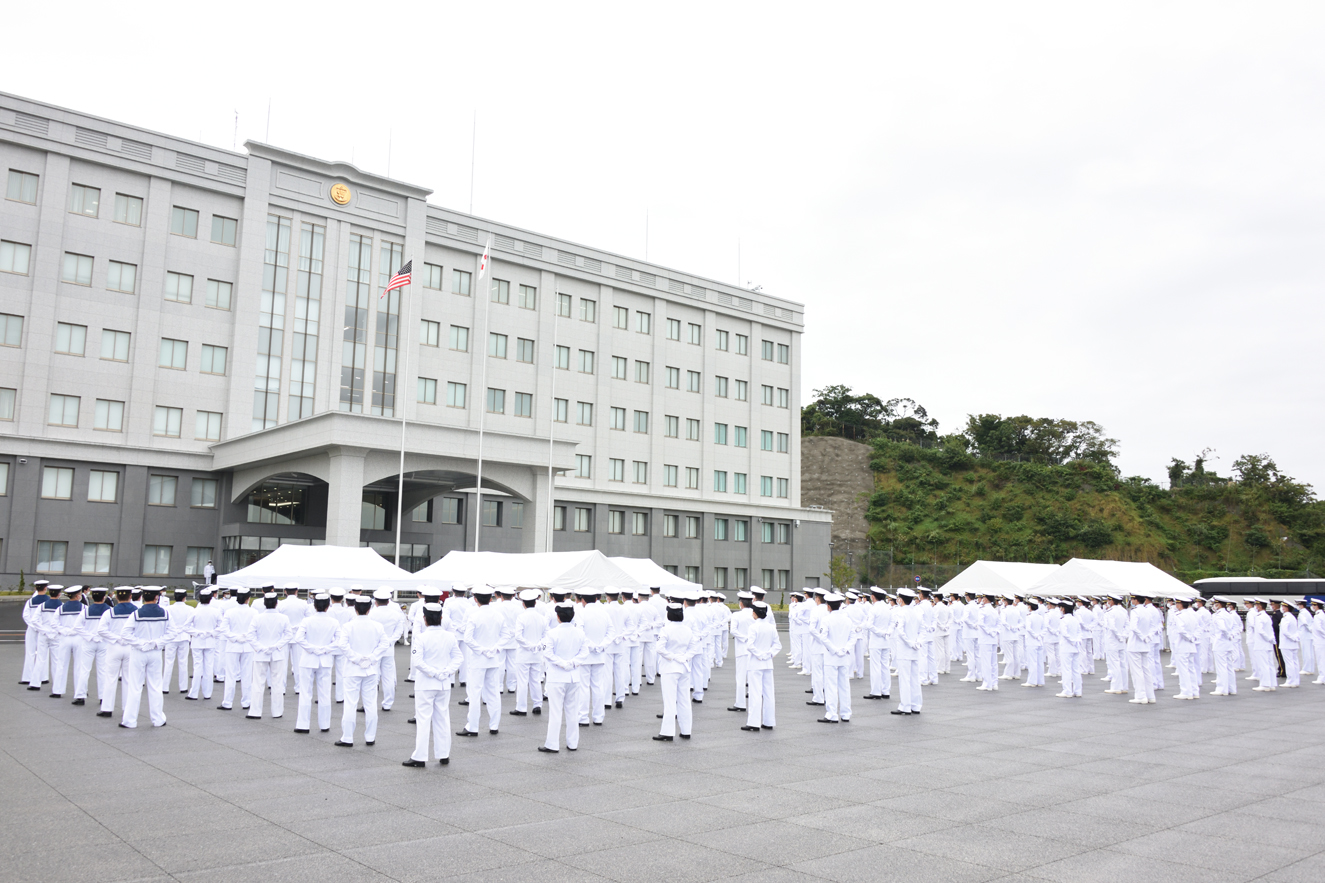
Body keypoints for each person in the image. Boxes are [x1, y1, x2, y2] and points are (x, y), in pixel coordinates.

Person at [404, 602, 463, 767]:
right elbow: (459, 658)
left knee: (423, 721)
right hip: (443, 683)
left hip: (426, 684)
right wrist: (446, 672)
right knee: (442, 718)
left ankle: (420, 757)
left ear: (424, 619)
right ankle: (444, 754)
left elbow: (417, 662)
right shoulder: (450, 636)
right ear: (441, 618)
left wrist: (433, 672)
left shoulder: (421, 637)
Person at [335, 594, 392, 747]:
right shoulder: (377, 626)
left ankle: (347, 738)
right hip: (371, 670)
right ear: (369, 609)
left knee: (350, 704)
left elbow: (342, 645)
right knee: (371, 704)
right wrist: (371, 658)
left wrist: (357, 659)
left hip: (353, 669)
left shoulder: (348, 626)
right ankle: (370, 737)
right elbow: (384, 644)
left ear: (355, 609)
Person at [119, 587, 178, 728]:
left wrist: (141, 644)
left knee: (135, 686)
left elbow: (125, 634)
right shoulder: (165, 613)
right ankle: (158, 719)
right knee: (155, 686)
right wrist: (157, 643)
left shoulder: (136, 614)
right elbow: (173, 633)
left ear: (143, 597)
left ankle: (130, 721)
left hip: (139, 652)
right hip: (156, 652)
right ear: (157, 597)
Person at [458, 586, 511, 737]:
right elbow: (506, 635)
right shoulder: (498, 615)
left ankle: (472, 727)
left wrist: (481, 650)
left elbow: (467, 638)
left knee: (474, 693)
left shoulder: (474, 616)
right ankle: (494, 725)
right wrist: (495, 649)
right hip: (494, 659)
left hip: (477, 660)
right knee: (493, 693)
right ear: (490, 598)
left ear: (475, 599)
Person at [540, 603, 588, 753]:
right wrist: (572, 663)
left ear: (558, 617)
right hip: (573, 676)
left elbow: (548, 653)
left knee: (555, 712)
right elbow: (584, 653)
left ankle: (552, 744)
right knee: (573, 712)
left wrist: (562, 664)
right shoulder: (580, 633)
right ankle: (573, 743)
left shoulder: (552, 633)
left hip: (557, 677)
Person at [293, 593, 339, 734]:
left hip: (308, 659)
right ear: (327, 606)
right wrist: (325, 649)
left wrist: (312, 649)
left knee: (305, 693)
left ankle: (303, 725)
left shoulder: (307, 621)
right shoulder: (333, 622)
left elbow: (298, 638)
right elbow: (339, 641)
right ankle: (324, 725)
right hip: (325, 659)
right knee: (325, 693)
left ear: (314, 605)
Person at [247, 592, 293, 719]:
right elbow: (289, 635)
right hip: (277, 654)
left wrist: (260, 647)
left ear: (264, 604)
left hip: (261, 654)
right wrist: (277, 646)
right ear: (277, 603)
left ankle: (255, 711)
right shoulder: (284, 618)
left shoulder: (257, 617)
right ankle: (277, 712)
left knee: (257, 683)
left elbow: (250, 636)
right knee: (277, 683)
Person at [654, 603, 696, 741]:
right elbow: (693, 649)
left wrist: (672, 657)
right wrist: (684, 657)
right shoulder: (688, 630)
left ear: (669, 615)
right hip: (684, 667)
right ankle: (686, 731)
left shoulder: (665, 630)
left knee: (670, 701)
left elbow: (659, 648)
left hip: (670, 668)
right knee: (684, 700)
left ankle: (667, 732)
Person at [574, 589, 614, 725]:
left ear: (583, 600)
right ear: (596, 599)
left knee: (584, 687)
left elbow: (580, 633)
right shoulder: (604, 613)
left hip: (585, 655)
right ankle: (598, 717)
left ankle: (583, 717)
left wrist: (591, 646)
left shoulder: (580, 613)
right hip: (600, 655)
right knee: (598, 686)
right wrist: (601, 645)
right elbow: (611, 632)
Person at [741, 601, 781, 731]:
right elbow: (777, 645)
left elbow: (750, 645)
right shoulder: (771, 627)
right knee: (769, 693)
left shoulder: (753, 627)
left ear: (754, 614)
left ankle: (754, 723)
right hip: (768, 663)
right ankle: (769, 722)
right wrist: (768, 654)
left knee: (755, 693)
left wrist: (760, 655)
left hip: (755, 664)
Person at [95, 588, 135, 717]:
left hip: (114, 647)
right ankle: (127, 708)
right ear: (130, 596)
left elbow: (101, 630)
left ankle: (107, 708)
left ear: (117, 597)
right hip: (131, 647)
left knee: (110, 678)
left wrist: (116, 638)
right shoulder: (137, 612)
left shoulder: (109, 612)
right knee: (128, 679)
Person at [816, 592, 854, 723]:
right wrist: (844, 649)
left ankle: (832, 714)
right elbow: (852, 637)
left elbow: (823, 637)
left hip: (831, 657)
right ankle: (845, 714)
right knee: (844, 686)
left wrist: (834, 650)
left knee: (831, 685)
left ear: (828, 606)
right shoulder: (847, 619)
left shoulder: (826, 619)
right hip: (844, 657)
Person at [71, 588, 113, 707]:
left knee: (84, 669)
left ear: (92, 597)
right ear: (104, 597)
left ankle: (80, 696)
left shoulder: (86, 610)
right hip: (104, 642)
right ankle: (103, 697)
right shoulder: (110, 610)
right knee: (103, 670)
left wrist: (90, 636)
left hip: (89, 642)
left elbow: (77, 627)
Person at [218, 588, 257, 711]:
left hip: (233, 645)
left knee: (230, 675)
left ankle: (227, 702)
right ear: (248, 598)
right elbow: (256, 630)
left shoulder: (230, 612)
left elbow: (223, 629)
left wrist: (234, 637)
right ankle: (246, 701)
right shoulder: (254, 612)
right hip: (248, 646)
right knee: (247, 675)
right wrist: (245, 637)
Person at [367, 588, 406, 711]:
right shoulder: (395, 614)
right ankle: (388, 703)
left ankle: (370, 702)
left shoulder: (371, 613)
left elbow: (369, 630)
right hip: (389, 648)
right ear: (388, 601)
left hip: (374, 648)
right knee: (388, 677)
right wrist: (390, 641)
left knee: (373, 676)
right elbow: (399, 630)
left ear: (376, 602)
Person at [510, 589, 547, 716]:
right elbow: (546, 636)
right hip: (537, 654)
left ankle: (521, 707)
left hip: (524, 654)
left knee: (522, 681)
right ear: (535, 603)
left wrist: (529, 646)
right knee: (535, 680)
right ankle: (537, 704)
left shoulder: (521, 617)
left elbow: (518, 636)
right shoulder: (542, 618)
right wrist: (537, 646)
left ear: (523, 604)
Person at [49, 585, 86, 698]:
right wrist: (76, 631)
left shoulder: (61, 608)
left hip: (64, 638)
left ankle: (57, 690)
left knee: (61, 664)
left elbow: (54, 624)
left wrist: (65, 631)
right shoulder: (84, 608)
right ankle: (79, 692)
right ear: (78, 595)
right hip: (79, 638)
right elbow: (87, 624)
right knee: (79, 665)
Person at [891, 588, 923, 715]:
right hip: (915, 649)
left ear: (901, 599)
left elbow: (900, 631)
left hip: (905, 650)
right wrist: (918, 642)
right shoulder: (917, 612)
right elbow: (923, 630)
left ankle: (905, 706)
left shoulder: (901, 612)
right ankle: (916, 705)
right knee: (915, 678)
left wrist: (910, 643)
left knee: (905, 678)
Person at [186, 588, 221, 701]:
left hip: (197, 641)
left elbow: (186, 627)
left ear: (200, 599)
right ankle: (207, 693)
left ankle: (194, 693)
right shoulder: (215, 611)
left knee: (197, 667)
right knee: (209, 667)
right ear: (211, 599)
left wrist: (197, 633)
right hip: (210, 641)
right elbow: (221, 627)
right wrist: (212, 633)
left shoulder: (195, 611)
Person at [276, 584, 308, 692]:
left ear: (285, 591)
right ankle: (299, 687)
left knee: (282, 664)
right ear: (297, 591)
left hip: (284, 636)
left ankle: (282, 688)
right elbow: (308, 619)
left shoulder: (281, 604)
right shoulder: (303, 603)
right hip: (298, 635)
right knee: (298, 663)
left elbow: (278, 620)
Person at [727, 592, 755, 713]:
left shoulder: (736, 615)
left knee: (740, 677)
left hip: (742, 650)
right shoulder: (755, 614)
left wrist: (743, 638)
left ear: (741, 603)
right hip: (754, 650)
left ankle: (740, 703)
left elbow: (733, 630)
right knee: (753, 678)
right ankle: (754, 703)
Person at [1127, 594, 1157, 704]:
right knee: (1146, 670)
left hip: (1135, 644)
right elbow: (1153, 627)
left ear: (1136, 600)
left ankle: (1140, 696)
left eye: (1132, 599)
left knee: (1137, 671)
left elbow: (1133, 627)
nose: (1131, 601)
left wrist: (1142, 636)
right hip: (1145, 644)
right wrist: (1148, 637)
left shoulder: (1135, 612)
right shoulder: (1147, 611)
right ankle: (1150, 696)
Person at [162, 588, 193, 695]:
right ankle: (183, 687)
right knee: (183, 662)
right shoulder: (190, 609)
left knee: (168, 662)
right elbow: (191, 624)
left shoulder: (168, 609)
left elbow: (165, 624)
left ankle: (165, 687)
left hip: (171, 637)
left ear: (174, 597)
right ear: (185, 597)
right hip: (184, 637)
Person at [864, 588, 893, 700]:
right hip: (886, 640)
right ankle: (886, 691)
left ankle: (876, 691)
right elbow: (892, 623)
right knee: (885, 666)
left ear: (873, 597)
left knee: (875, 666)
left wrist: (880, 633)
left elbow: (869, 625)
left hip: (876, 641)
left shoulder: (873, 609)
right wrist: (887, 633)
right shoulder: (888, 608)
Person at [21, 580, 50, 688]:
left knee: (30, 652)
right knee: (44, 653)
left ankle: (27, 677)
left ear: (35, 588)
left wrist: (33, 626)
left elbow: (26, 615)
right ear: (45, 588)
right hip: (45, 629)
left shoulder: (31, 601)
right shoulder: (49, 601)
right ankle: (43, 677)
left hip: (32, 629)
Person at [1211, 597, 1240, 696]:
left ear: (1218, 605)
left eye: (1215, 604)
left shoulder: (1218, 615)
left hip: (1220, 643)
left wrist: (1228, 634)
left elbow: (1222, 628)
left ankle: (1222, 689)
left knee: (1221, 667)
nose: (1214, 606)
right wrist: (1231, 635)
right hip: (1228, 643)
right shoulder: (1228, 614)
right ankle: (1232, 688)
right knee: (1229, 667)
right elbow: (1236, 627)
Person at [1171, 598, 1200, 700]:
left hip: (1182, 645)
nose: (1176, 605)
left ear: (1180, 604)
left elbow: (1181, 630)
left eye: (1177, 603)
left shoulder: (1179, 616)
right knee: (1191, 669)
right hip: (1191, 645)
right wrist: (1193, 638)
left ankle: (1186, 692)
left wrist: (1189, 637)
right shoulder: (1192, 615)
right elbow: (1198, 628)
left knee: (1183, 670)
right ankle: (1194, 691)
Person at [1102, 595, 1129, 694]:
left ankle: (1116, 686)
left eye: (1109, 600)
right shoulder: (1124, 611)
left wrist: (1118, 636)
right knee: (1123, 664)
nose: (1108, 602)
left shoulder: (1110, 612)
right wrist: (1123, 636)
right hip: (1121, 641)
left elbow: (1112, 627)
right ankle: (1124, 686)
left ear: (1112, 601)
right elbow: (1127, 625)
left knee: (1114, 664)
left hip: (1112, 640)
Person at [1056, 601, 1082, 698]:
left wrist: (1072, 641)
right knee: (1076, 670)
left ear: (1063, 609)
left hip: (1067, 647)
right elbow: (1079, 632)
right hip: (1075, 647)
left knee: (1066, 669)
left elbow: (1064, 633)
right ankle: (1078, 691)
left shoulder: (1063, 619)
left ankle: (1067, 690)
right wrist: (1077, 641)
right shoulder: (1075, 619)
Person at [975, 595, 1000, 692]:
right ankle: (994, 683)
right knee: (993, 662)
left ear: (985, 599)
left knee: (986, 662)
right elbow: (999, 623)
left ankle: (987, 684)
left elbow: (981, 623)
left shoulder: (983, 610)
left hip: (985, 638)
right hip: (993, 638)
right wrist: (994, 632)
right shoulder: (994, 610)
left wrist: (989, 631)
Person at [1022, 599, 1046, 687]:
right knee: (1039, 662)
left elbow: (1028, 628)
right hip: (1039, 641)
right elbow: (1044, 628)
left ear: (1030, 606)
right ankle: (1040, 681)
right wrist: (1040, 635)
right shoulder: (1040, 617)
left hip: (1032, 641)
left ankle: (1032, 681)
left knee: (1032, 662)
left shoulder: (1029, 616)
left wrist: (1035, 635)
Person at [1278, 600, 1302, 688]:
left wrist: (1292, 638)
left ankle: (1290, 681)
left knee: (1289, 663)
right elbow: (1297, 630)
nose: (1282, 608)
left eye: (1283, 606)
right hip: (1294, 644)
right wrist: (1296, 638)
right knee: (1295, 662)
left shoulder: (1285, 618)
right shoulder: (1292, 617)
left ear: (1286, 608)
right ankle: (1296, 680)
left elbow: (1285, 631)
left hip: (1287, 644)